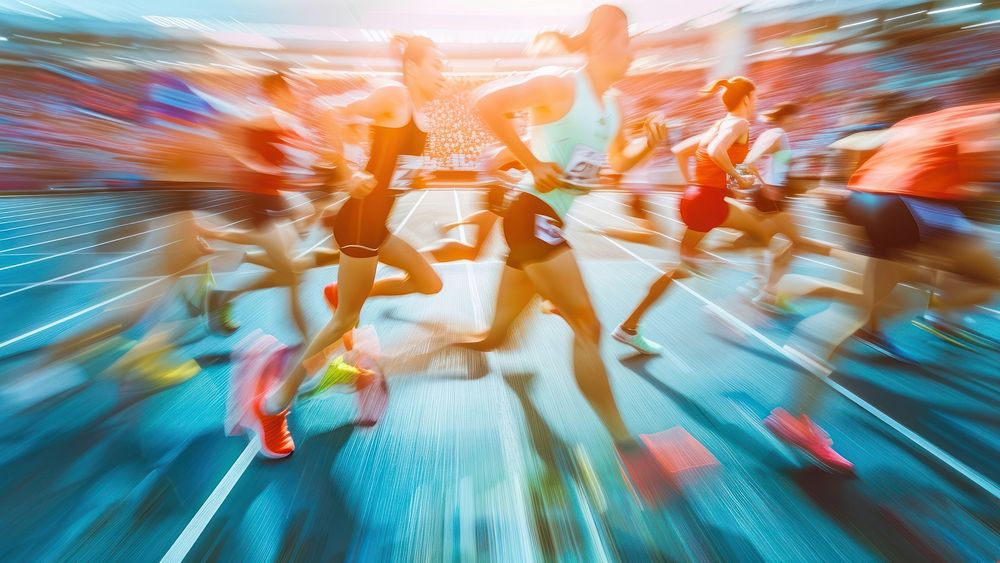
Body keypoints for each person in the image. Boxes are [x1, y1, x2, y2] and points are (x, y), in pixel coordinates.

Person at [467, 5, 674, 498]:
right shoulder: (560, 84)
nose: (632, 49)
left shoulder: (615, 105)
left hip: (551, 219)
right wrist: (531, 161)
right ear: (601, 41)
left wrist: (647, 145)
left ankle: (417, 352)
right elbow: (484, 103)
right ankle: (624, 441)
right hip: (530, 211)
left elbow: (615, 166)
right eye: (625, 39)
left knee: (495, 339)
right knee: (587, 325)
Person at [231, 36, 446, 459]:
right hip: (361, 223)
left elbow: (393, 169)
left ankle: (340, 296)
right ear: (413, 68)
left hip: (377, 224)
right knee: (346, 318)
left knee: (429, 281)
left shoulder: (419, 114)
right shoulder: (396, 96)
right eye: (437, 65)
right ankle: (274, 405)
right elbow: (330, 112)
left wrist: (411, 178)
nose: (444, 75)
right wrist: (347, 173)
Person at [767, 84, 1000, 473]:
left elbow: (856, 142)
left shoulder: (919, 121)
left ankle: (796, 418)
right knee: (988, 277)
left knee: (858, 311)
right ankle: (941, 311)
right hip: (912, 209)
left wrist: (833, 176)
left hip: (866, 200)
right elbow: (981, 171)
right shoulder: (989, 115)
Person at [613, 76, 772, 354]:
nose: (757, 102)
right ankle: (707, 262)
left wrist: (697, 184)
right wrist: (737, 178)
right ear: (747, 98)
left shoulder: (718, 124)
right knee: (762, 235)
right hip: (708, 203)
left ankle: (629, 326)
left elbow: (680, 151)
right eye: (755, 97)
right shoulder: (739, 123)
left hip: (695, 199)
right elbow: (715, 151)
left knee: (679, 270)